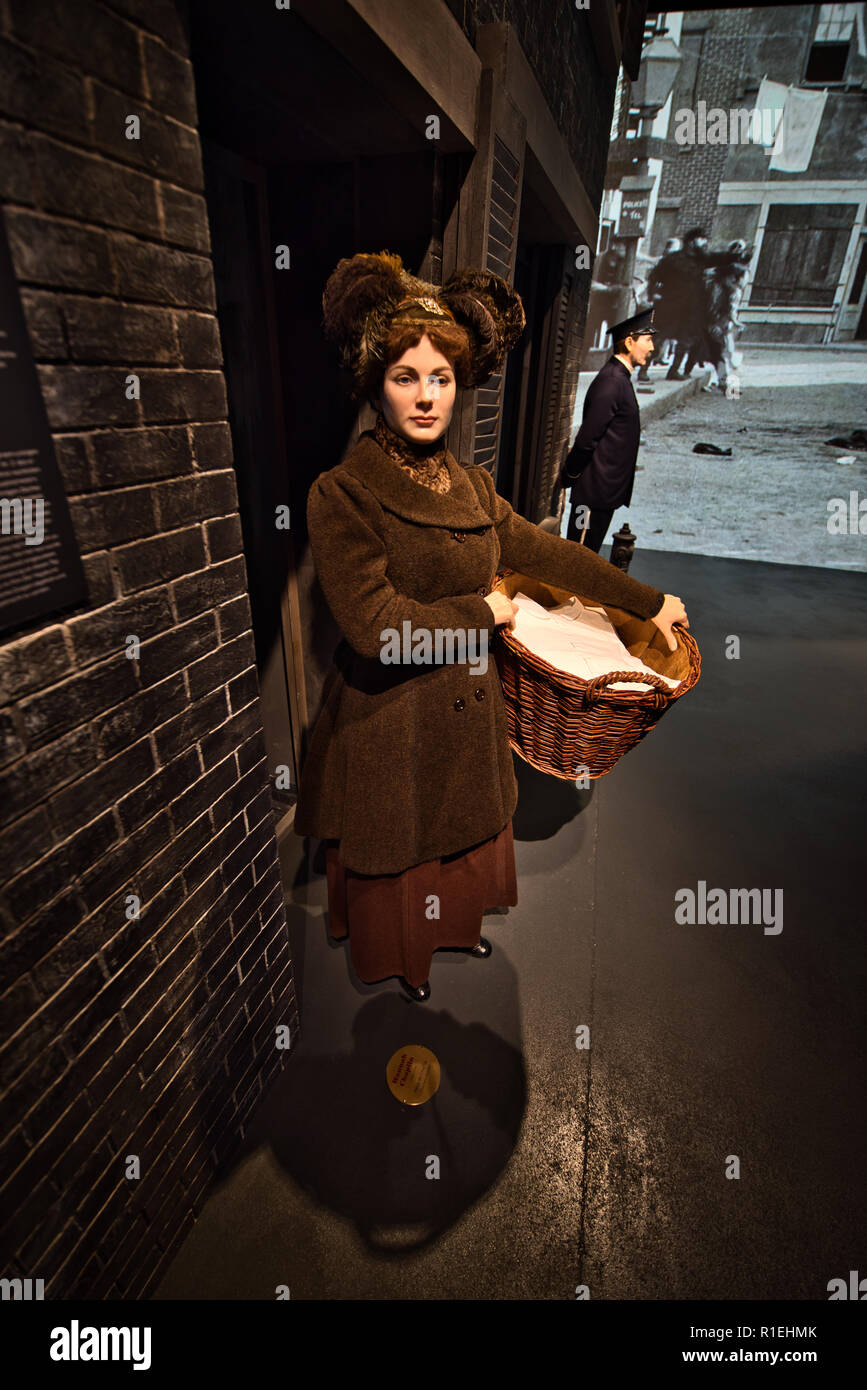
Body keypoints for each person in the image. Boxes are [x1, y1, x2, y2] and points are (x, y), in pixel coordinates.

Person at [293, 252, 689, 1002]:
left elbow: (547, 553)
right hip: (391, 714)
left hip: (467, 704)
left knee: (457, 837)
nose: (423, 396)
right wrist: (482, 612)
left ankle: (447, 931)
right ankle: (400, 957)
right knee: (404, 844)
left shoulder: (472, 485)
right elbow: (375, 627)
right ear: (375, 383)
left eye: (438, 377)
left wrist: (646, 600)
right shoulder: (342, 493)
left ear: (458, 383)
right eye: (404, 376)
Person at [558, 307, 657, 554]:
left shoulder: (619, 379)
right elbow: (587, 439)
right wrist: (570, 475)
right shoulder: (612, 381)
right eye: (648, 339)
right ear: (630, 341)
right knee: (578, 555)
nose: (652, 347)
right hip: (592, 494)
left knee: (586, 556)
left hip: (602, 494)